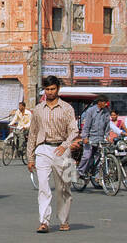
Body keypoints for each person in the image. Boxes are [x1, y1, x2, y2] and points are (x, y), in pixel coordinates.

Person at [27, 77, 79, 233]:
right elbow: (33, 133)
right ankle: (44, 221)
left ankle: (64, 220)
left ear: (58, 89)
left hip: (62, 149)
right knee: (43, 186)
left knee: (64, 188)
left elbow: (74, 130)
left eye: (52, 89)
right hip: (42, 149)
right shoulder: (38, 109)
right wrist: (30, 158)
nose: (50, 92)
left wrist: (65, 145)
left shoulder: (67, 108)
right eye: (47, 89)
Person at [78, 97, 109, 179]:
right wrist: (85, 137)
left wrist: (107, 136)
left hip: (100, 138)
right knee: (87, 156)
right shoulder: (91, 111)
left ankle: (97, 175)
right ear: (99, 102)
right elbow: (87, 125)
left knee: (100, 157)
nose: (106, 104)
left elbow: (107, 125)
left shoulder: (106, 112)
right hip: (90, 137)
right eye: (104, 102)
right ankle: (80, 171)